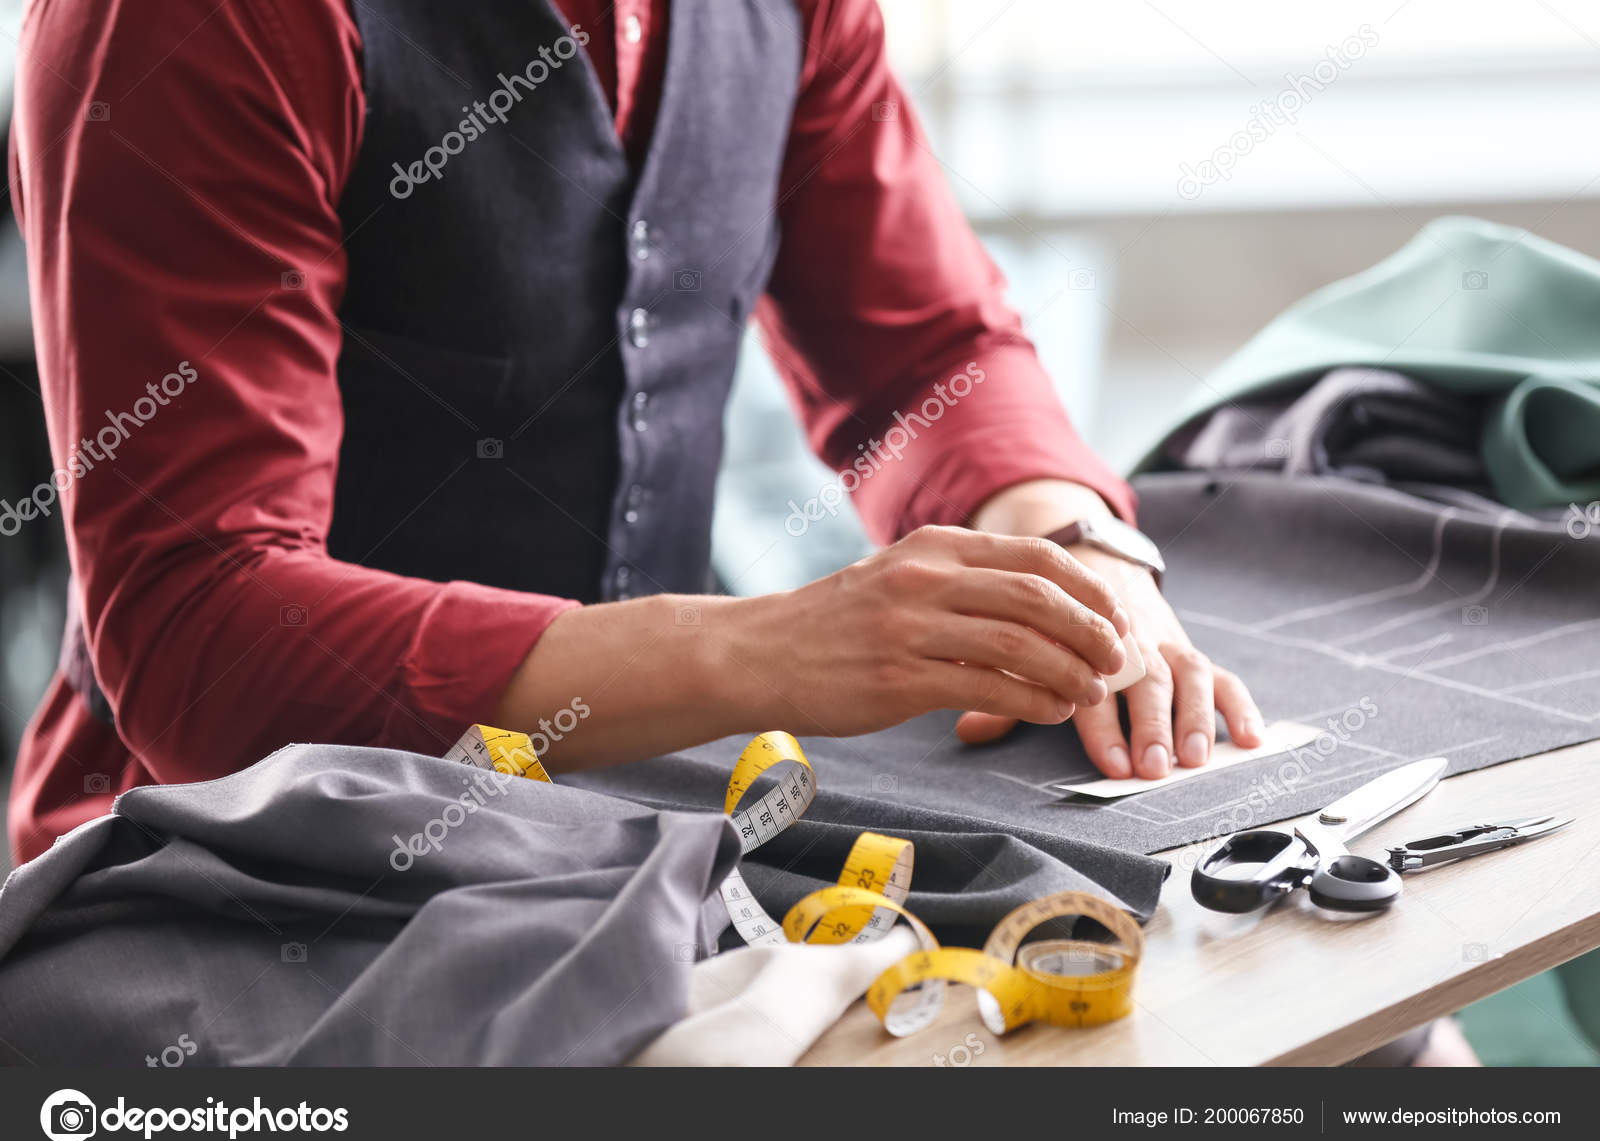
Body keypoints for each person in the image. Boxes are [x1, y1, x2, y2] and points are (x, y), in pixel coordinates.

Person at [6, 0, 1262, 867]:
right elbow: (200, 633)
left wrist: (1067, 549)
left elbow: (925, 348)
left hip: (627, 820)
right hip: (227, 864)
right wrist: (756, 651)